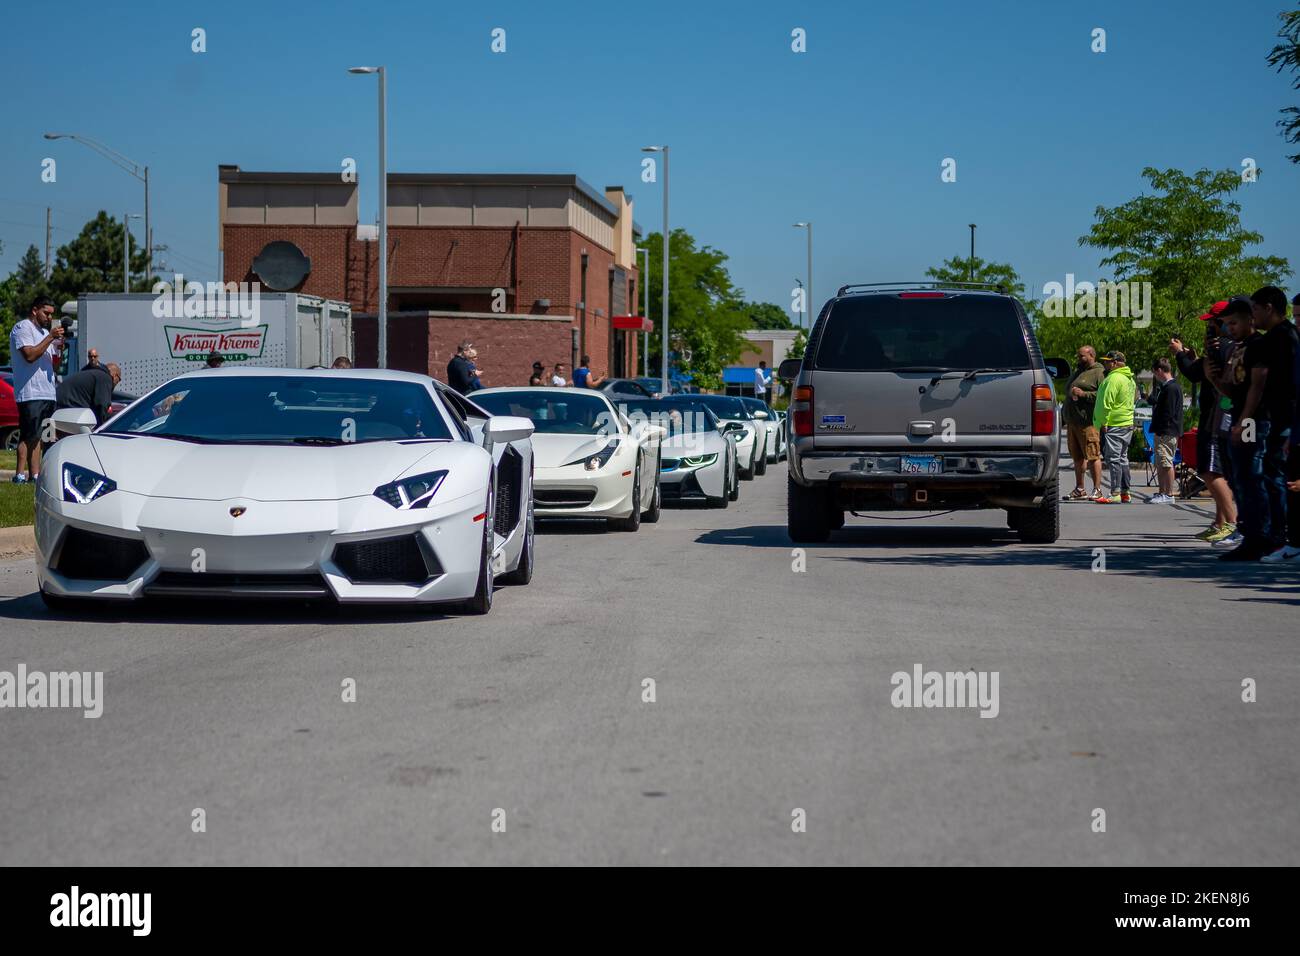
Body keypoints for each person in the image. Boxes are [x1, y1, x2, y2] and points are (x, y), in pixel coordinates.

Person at [1170, 301, 1238, 542]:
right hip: (1221, 416)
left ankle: (1231, 523)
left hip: (1216, 417)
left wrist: (1179, 354)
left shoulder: (1223, 348)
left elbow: (1195, 373)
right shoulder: (1227, 347)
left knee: (1209, 472)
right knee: (1218, 471)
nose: (1208, 327)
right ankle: (1220, 522)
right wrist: (1194, 358)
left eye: (1212, 322)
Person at [1245, 286, 1299, 563]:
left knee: (1269, 475)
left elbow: (1260, 384)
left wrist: (1244, 419)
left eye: (1254, 309)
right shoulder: (1276, 338)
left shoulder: (1280, 338)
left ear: (1268, 308)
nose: (1252, 316)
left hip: (1272, 419)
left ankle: (1278, 537)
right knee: (1262, 474)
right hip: (1268, 418)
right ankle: (1267, 535)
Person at [1216, 297, 1270, 560]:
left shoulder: (1258, 345)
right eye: (1227, 324)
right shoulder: (1237, 347)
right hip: (1237, 417)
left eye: (1234, 323)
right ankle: (1248, 531)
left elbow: (1257, 386)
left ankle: (1259, 535)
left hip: (1251, 419)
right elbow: (1229, 388)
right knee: (1237, 474)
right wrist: (1211, 373)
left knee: (1249, 474)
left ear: (1250, 318)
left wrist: (1244, 420)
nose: (1230, 329)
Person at [8, 296, 63, 484]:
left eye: (51, 314)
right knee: (28, 434)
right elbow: (29, 356)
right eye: (46, 313)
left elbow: (55, 366)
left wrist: (59, 349)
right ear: (34, 310)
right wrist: (50, 338)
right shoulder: (23, 328)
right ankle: (19, 475)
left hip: (48, 392)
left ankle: (35, 475)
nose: (49, 317)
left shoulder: (44, 333)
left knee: (40, 437)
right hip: (31, 392)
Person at [1092, 350, 1136, 503]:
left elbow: (1106, 403)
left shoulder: (1114, 378)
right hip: (1126, 423)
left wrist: (1103, 421)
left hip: (1114, 424)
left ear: (1115, 363)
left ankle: (1115, 493)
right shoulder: (1129, 379)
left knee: (1113, 459)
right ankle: (1125, 492)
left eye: (1107, 361)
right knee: (1123, 458)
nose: (1105, 364)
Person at [1063, 345, 1105, 499]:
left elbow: (1103, 395)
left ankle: (1097, 489)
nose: (1079, 359)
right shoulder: (1078, 372)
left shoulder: (1099, 372)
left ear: (1092, 355)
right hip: (1073, 422)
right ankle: (1080, 489)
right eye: (1078, 356)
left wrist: (1083, 394)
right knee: (1078, 458)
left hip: (1088, 423)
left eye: (1082, 356)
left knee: (1093, 456)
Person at [1147, 358, 1183, 503]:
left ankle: (1168, 494)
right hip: (1163, 431)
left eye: (1155, 373)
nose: (1155, 376)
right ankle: (1162, 491)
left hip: (1167, 431)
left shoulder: (1171, 388)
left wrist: (1161, 429)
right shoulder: (1167, 387)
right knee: (1160, 462)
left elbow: (1168, 412)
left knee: (1166, 462)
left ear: (1160, 370)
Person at [56, 361, 121, 425]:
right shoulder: (105, 378)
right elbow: (101, 405)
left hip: (61, 402)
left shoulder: (95, 374)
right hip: (69, 404)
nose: (117, 382)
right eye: (119, 379)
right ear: (115, 375)